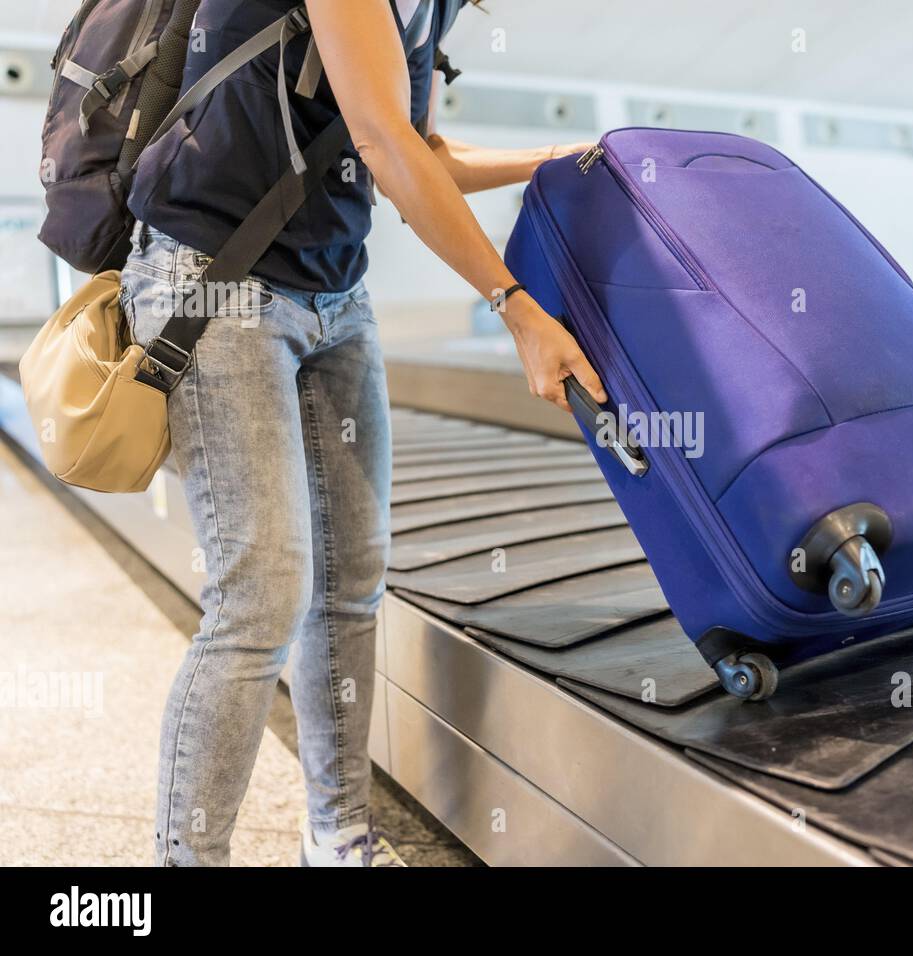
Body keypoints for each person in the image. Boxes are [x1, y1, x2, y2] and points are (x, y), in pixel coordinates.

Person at [122, 0, 604, 866]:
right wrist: (515, 307)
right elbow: (382, 139)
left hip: (334, 298)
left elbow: (422, 152)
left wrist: (565, 159)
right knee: (262, 595)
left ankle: (337, 838)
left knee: (349, 582)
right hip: (214, 284)